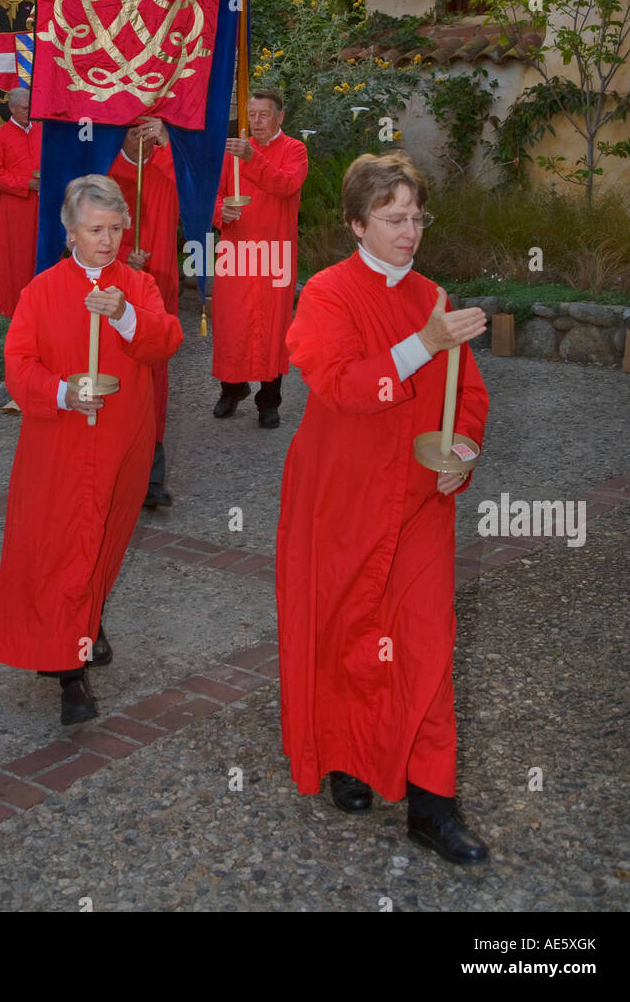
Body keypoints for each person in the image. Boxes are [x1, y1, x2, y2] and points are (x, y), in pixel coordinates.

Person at [276, 151, 491, 865]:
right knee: (344, 628)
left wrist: (461, 447)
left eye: (416, 217)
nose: (409, 232)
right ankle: (345, 757)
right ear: (355, 224)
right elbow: (337, 384)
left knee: (426, 642)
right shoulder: (326, 293)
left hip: (422, 498)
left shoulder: (433, 293)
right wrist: (420, 344)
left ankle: (433, 803)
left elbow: (470, 392)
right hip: (341, 495)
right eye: (392, 219)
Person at [0, 175, 183, 725]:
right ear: (69, 233)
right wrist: (62, 392)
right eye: (94, 229)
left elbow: (165, 341)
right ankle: (70, 673)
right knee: (63, 545)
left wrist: (124, 315)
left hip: (122, 441)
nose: (107, 240)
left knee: (105, 536)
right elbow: (19, 367)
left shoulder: (136, 286)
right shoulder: (40, 292)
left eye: (115, 228)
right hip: (58, 443)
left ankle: (91, 617)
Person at [211, 89, 308, 427]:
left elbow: (286, 185)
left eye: (264, 115)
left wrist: (253, 158)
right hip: (235, 251)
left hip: (275, 253)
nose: (257, 121)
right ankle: (232, 388)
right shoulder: (230, 154)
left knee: (272, 327)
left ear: (281, 117)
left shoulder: (295, 149)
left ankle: (269, 400)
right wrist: (222, 211)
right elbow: (214, 197)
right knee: (231, 322)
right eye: (252, 114)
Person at [109, 117, 179, 508]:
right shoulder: (107, 175)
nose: (143, 140)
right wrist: (123, 258)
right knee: (120, 380)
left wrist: (166, 141)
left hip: (158, 295)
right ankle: (117, 475)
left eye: (148, 134)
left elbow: (187, 185)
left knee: (154, 384)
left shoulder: (163, 171)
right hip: (118, 291)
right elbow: (88, 235)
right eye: (136, 132)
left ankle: (153, 481)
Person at [0, 86, 42, 318]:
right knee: (16, 259)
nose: (29, 112)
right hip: (16, 207)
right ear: (11, 108)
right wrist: (25, 184)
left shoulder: (41, 132)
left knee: (40, 257)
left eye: (31, 107)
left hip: (42, 205)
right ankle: (12, 310)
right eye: (24, 108)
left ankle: (41, 309)